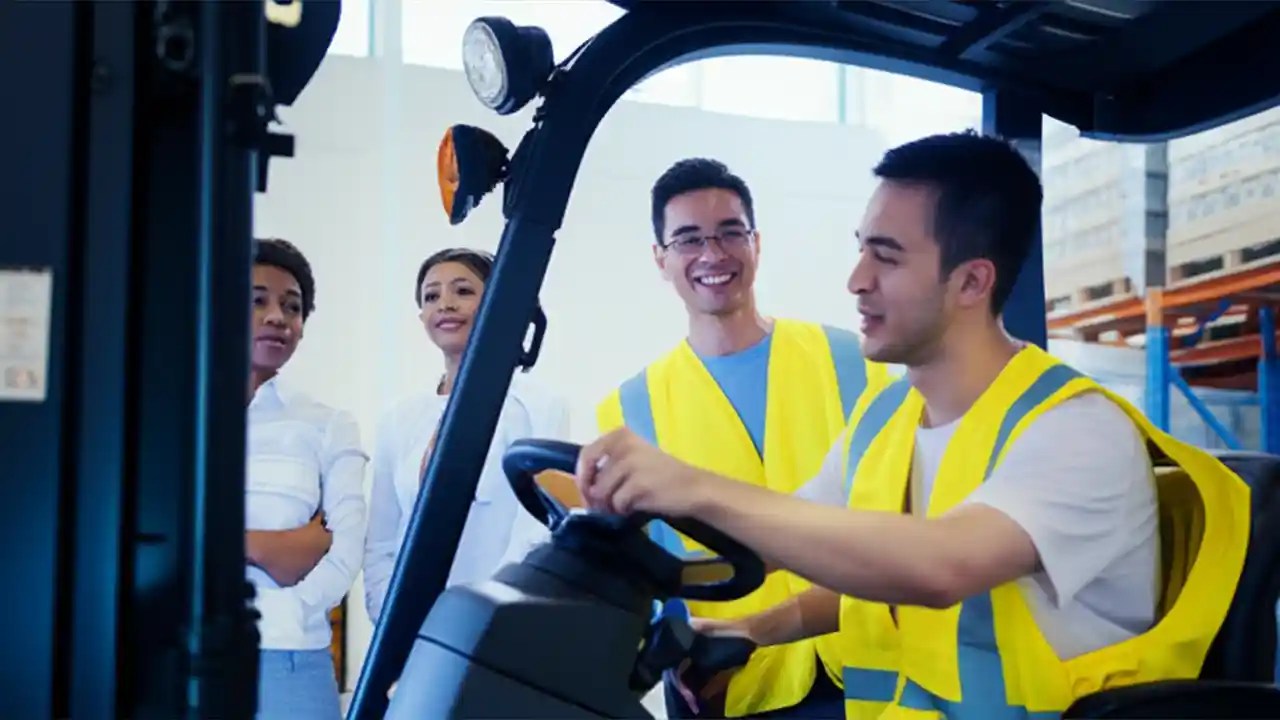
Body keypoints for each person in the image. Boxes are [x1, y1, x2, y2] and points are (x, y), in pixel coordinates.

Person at [575, 133, 1250, 719]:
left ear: (971, 282)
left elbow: (937, 567)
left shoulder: (1075, 431)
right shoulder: (885, 422)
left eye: (886, 257)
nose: (855, 280)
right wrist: (752, 626)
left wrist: (690, 485)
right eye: (860, 250)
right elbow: (793, 542)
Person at [597, 158, 891, 719]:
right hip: (728, 682)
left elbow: (895, 519)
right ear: (660, 259)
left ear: (756, 242)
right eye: (688, 239)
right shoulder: (629, 408)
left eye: (730, 232)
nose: (713, 254)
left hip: (864, 668)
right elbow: (638, 565)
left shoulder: (851, 360)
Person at [363, 247, 571, 626]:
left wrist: (480, 616)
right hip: (409, 627)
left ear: (496, 302)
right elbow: (381, 539)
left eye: (463, 291)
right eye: (432, 295)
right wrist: (389, 616)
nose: (445, 304)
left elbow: (536, 531)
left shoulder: (538, 406)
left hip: (497, 625)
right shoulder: (399, 418)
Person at [245, 238, 369, 720]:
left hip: (292, 657)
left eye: (292, 307)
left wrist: (288, 616)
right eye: (257, 301)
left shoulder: (327, 423)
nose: (278, 316)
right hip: (173, 646)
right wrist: (272, 546)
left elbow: (345, 546)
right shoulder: (175, 414)